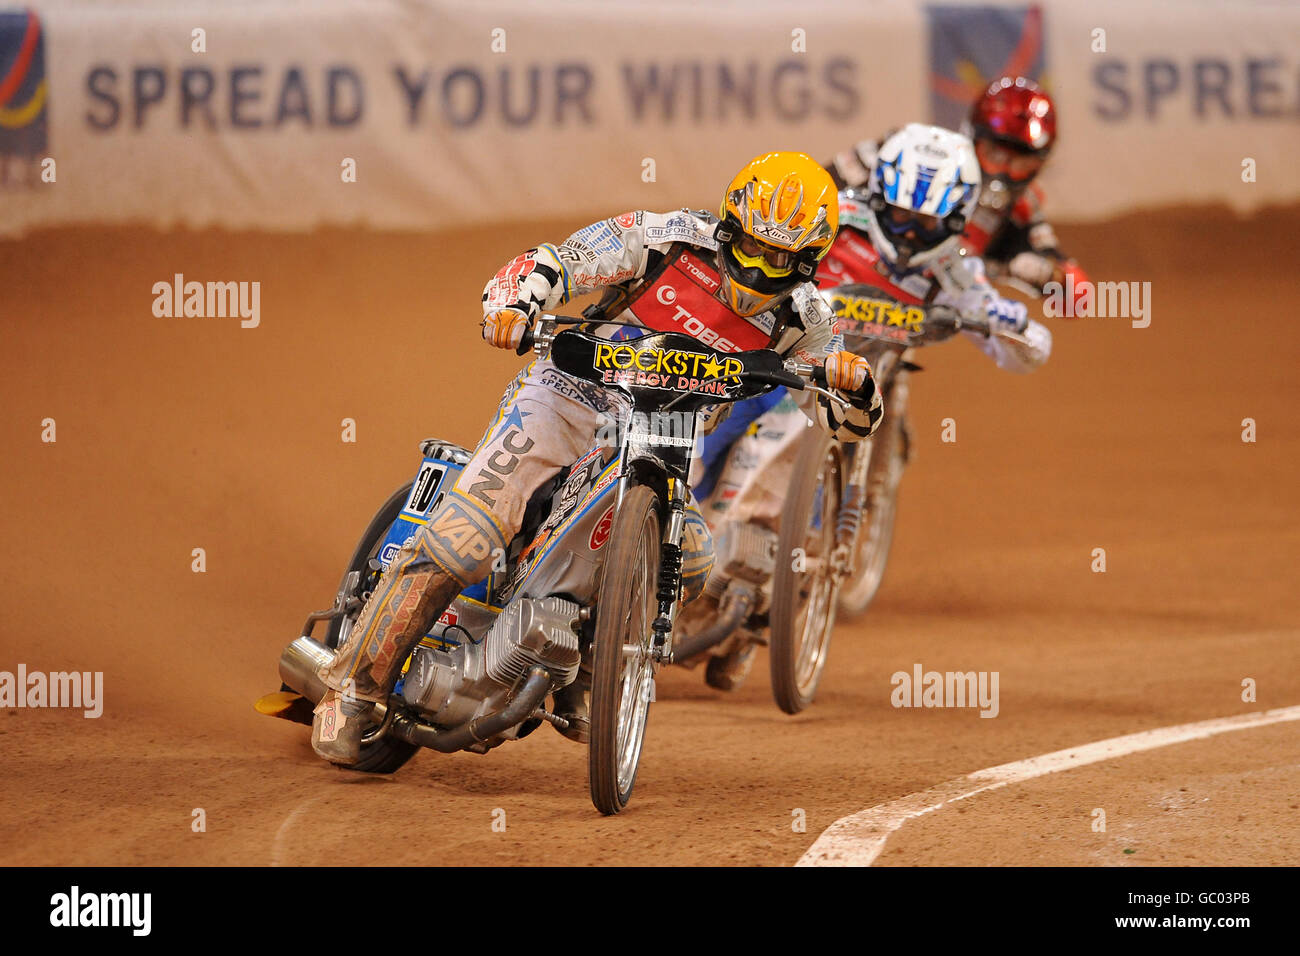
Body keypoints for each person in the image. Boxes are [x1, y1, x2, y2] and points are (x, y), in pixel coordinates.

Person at [310, 151, 884, 763]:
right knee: (467, 537)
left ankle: (590, 667)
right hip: (565, 400)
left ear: (809, 264)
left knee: (692, 562)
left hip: (663, 441)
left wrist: (854, 384)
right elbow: (557, 261)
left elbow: (844, 422)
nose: (763, 267)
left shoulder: (806, 319)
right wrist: (514, 304)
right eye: (752, 249)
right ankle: (353, 689)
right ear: (728, 228)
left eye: (782, 259)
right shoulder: (664, 239)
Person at [689, 125, 1052, 690]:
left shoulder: (956, 272)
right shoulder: (834, 224)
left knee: (799, 474)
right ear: (879, 195)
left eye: (925, 224)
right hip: (778, 356)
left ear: (955, 222)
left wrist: (1010, 325)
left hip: (856, 386)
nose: (907, 235)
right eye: (900, 215)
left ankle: (758, 608)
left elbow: (1026, 350)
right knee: (700, 438)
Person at [828, 76, 1087, 300]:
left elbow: (1079, 297)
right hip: (832, 281)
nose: (1004, 172)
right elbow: (817, 187)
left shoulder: (1021, 204)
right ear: (972, 136)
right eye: (994, 155)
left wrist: (1049, 275)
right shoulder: (912, 152)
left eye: (1022, 163)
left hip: (903, 318)